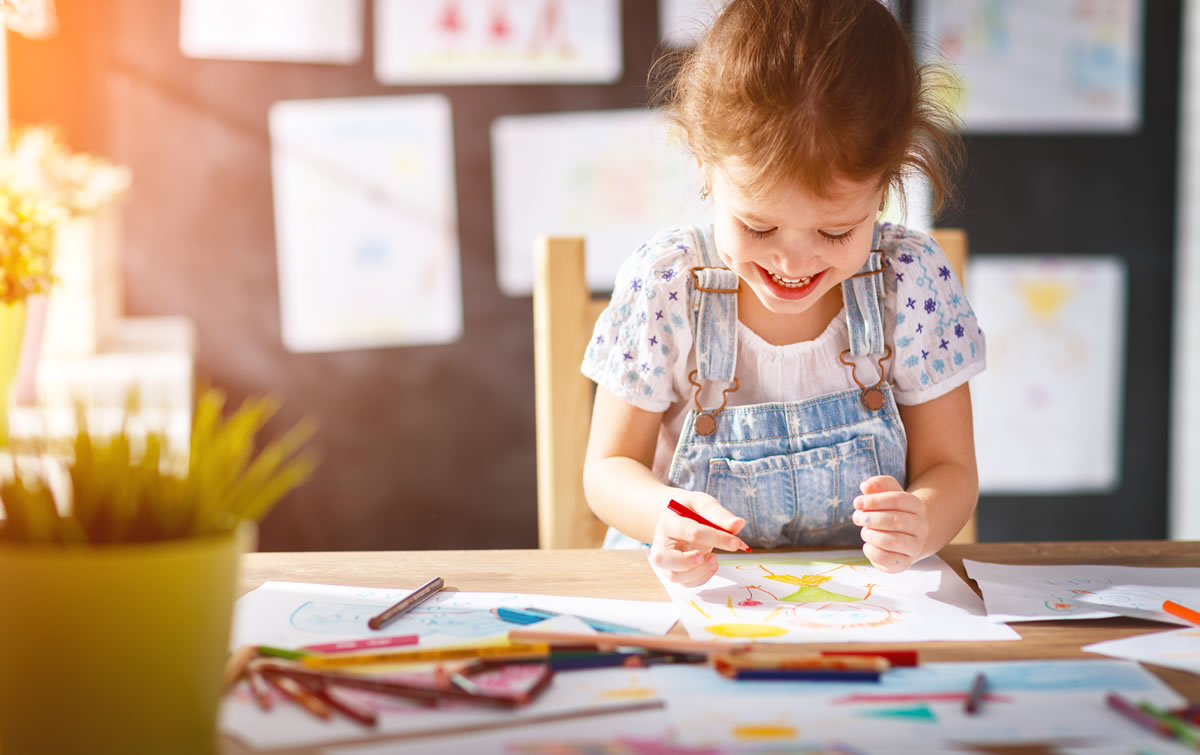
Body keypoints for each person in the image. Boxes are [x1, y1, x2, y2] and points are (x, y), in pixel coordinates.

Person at [580, 0, 981, 587]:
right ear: (703, 164)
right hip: (689, 594)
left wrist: (921, 517)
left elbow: (951, 468)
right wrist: (666, 517)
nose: (794, 261)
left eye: (836, 231)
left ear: (889, 182)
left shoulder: (909, 281)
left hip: (859, 603)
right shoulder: (667, 283)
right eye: (758, 228)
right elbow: (609, 469)